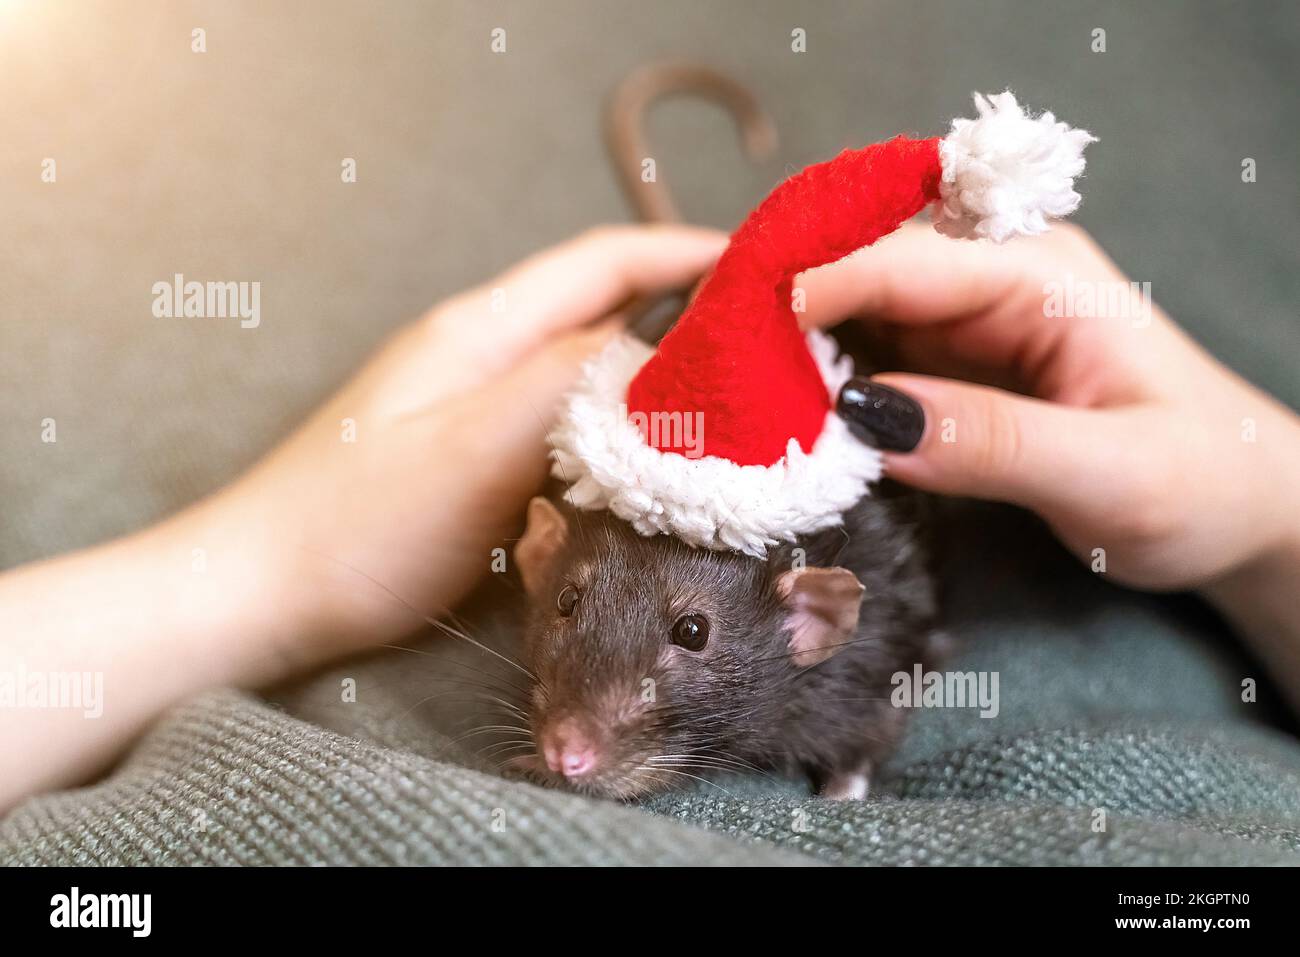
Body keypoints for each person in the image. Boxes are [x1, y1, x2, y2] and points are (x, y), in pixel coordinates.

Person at [1, 222, 1297, 814]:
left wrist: (1269, 515)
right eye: (565, 598)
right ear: (546, 548)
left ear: (810, 619)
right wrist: (271, 565)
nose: (568, 742)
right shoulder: (585, 546)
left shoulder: (836, 632)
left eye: (684, 631)